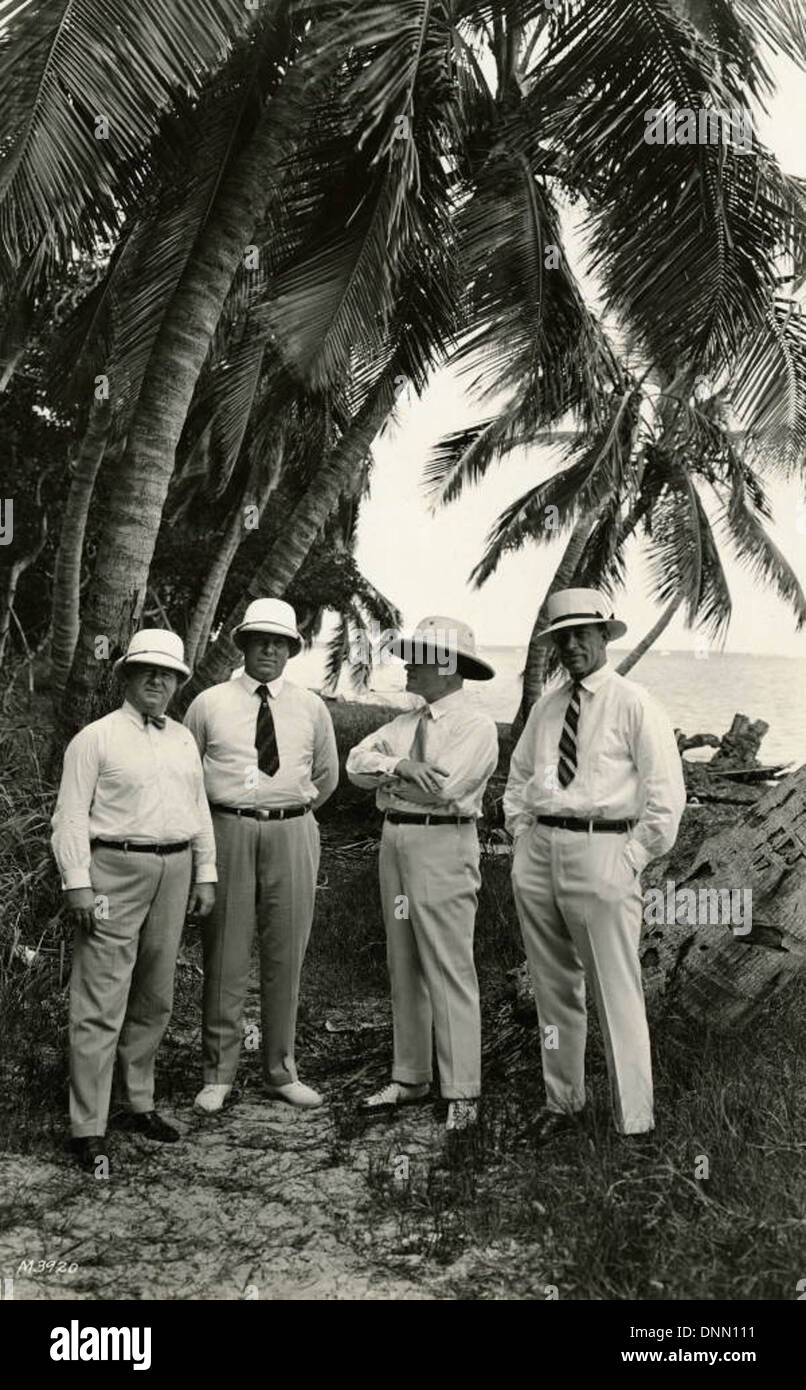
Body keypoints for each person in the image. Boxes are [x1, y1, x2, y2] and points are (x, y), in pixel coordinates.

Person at [504, 588, 686, 1142]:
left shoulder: (634, 702)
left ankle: (634, 1121)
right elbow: (517, 782)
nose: (574, 643)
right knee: (552, 985)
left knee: (616, 988)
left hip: (604, 852)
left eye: (585, 632)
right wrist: (521, 838)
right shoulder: (547, 706)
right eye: (564, 636)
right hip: (541, 853)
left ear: (605, 636)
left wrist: (630, 857)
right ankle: (564, 1102)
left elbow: (665, 795)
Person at [51, 630, 217, 1172]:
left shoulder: (183, 740)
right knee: (100, 997)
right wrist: (78, 880)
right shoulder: (95, 738)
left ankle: (137, 1102)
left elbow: (200, 809)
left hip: (175, 869)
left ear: (177, 683)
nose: (156, 680)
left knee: (155, 992)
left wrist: (205, 873)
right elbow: (71, 815)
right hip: (112, 871)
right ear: (126, 676)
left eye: (166, 674)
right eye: (146, 670)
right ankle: (88, 1125)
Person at [184, 598, 339, 1115]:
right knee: (226, 955)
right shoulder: (209, 703)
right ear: (244, 644)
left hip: (292, 831)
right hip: (227, 828)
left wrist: (286, 811)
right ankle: (218, 1074)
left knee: (284, 956)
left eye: (280, 642)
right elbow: (187, 773)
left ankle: (281, 1071)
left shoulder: (311, 705)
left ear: (292, 649)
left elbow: (326, 776)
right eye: (260, 640)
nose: (270, 649)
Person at [346, 616, 499, 1132]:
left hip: (443, 841)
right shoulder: (407, 722)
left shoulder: (474, 725)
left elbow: (447, 787)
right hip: (396, 841)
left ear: (449, 667)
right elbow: (354, 765)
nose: (408, 662)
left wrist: (391, 779)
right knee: (404, 959)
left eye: (421, 655)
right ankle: (410, 1077)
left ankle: (463, 1090)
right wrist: (396, 769)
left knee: (449, 963)